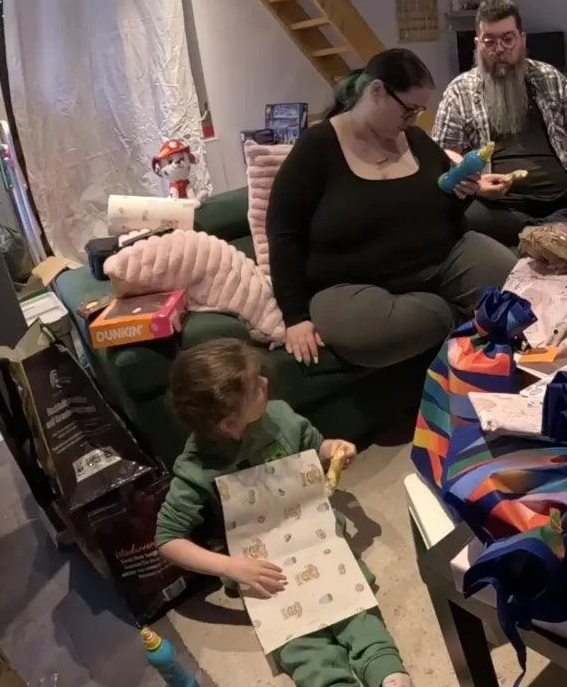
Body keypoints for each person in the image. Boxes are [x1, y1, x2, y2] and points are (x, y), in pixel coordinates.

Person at [155, 339, 411, 687]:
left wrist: (332, 449)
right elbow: (168, 539)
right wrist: (230, 567)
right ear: (229, 423)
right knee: (299, 641)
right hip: (263, 569)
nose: (265, 382)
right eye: (255, 386)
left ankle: (386, 671)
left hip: (317, 540)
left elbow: (314, 446)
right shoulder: (195, 470)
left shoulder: (279, 416)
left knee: (356, 610)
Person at [266, 48, 517, 368]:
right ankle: (457, 320)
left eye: (419, 111)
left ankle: (458, 324)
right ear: (377, 91)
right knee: (377, 332)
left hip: (438, 261)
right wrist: (295, 316)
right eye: (408, 109)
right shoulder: (317, 147)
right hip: (350, 285)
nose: (413, 120)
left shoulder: (415, 140)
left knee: (513, 282)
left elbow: (445, 208)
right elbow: (283, 232)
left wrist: (464, 192)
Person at [432, 0, 567, 248]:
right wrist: (477, 185)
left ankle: (537, 233)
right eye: (490, 41)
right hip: (500, 207)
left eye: (508, 39)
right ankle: (554, 232)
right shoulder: (459, 90)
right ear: (478, 44)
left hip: (566, 195)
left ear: (522, 40)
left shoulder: (548, 76)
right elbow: (444, 151)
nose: (499, 48)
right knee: (458, 216)